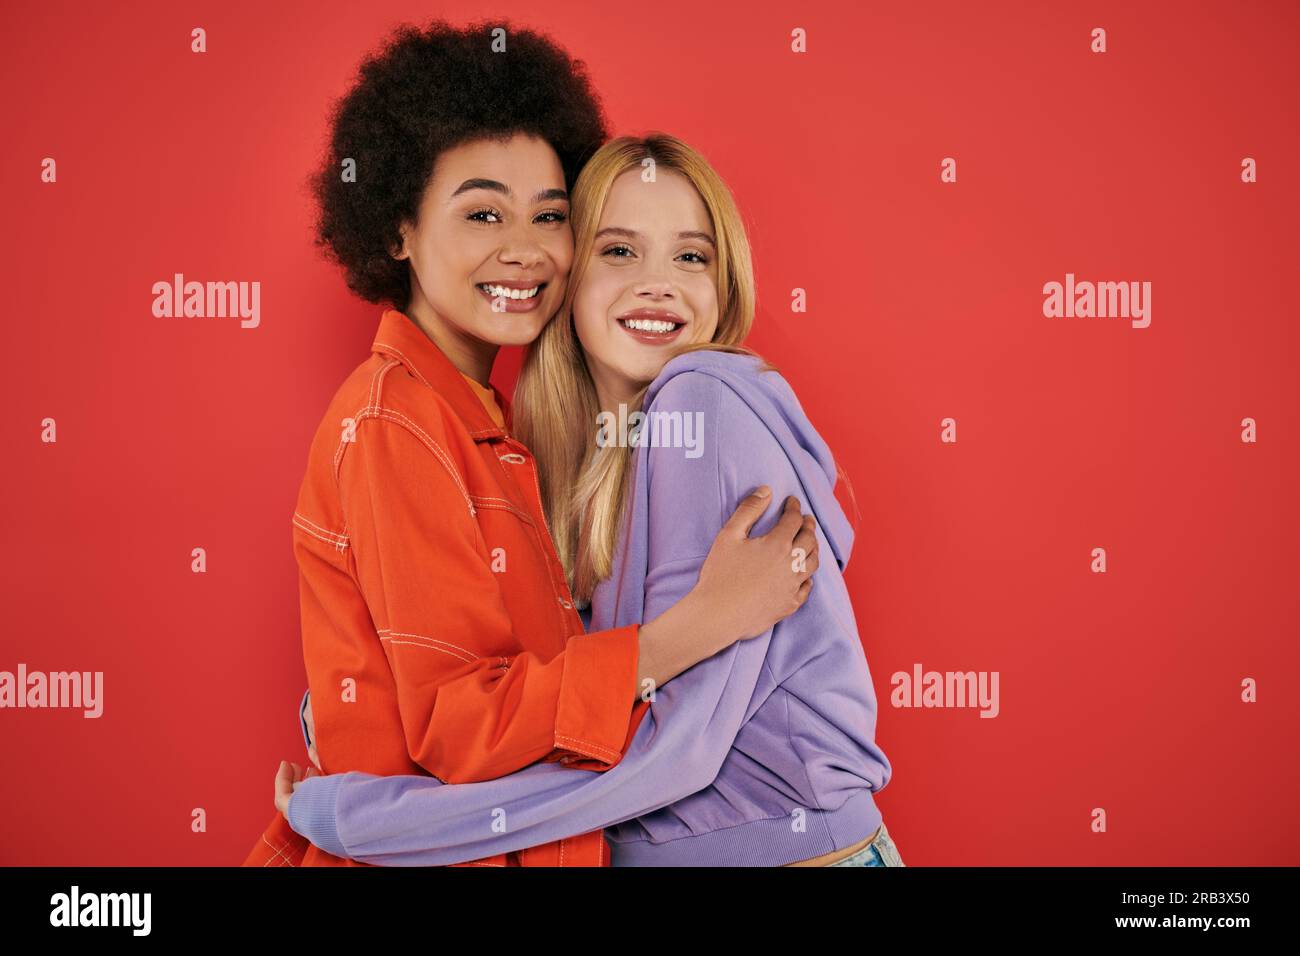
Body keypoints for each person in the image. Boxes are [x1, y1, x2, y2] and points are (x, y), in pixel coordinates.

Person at [242, 26, 820, 869]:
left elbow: (460, 661)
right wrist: (701, 624)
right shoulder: (396, 423)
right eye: (483, 213)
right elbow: (458, 723)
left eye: (550, 216)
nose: (523, 248)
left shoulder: (493, 427)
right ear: (397, 228)